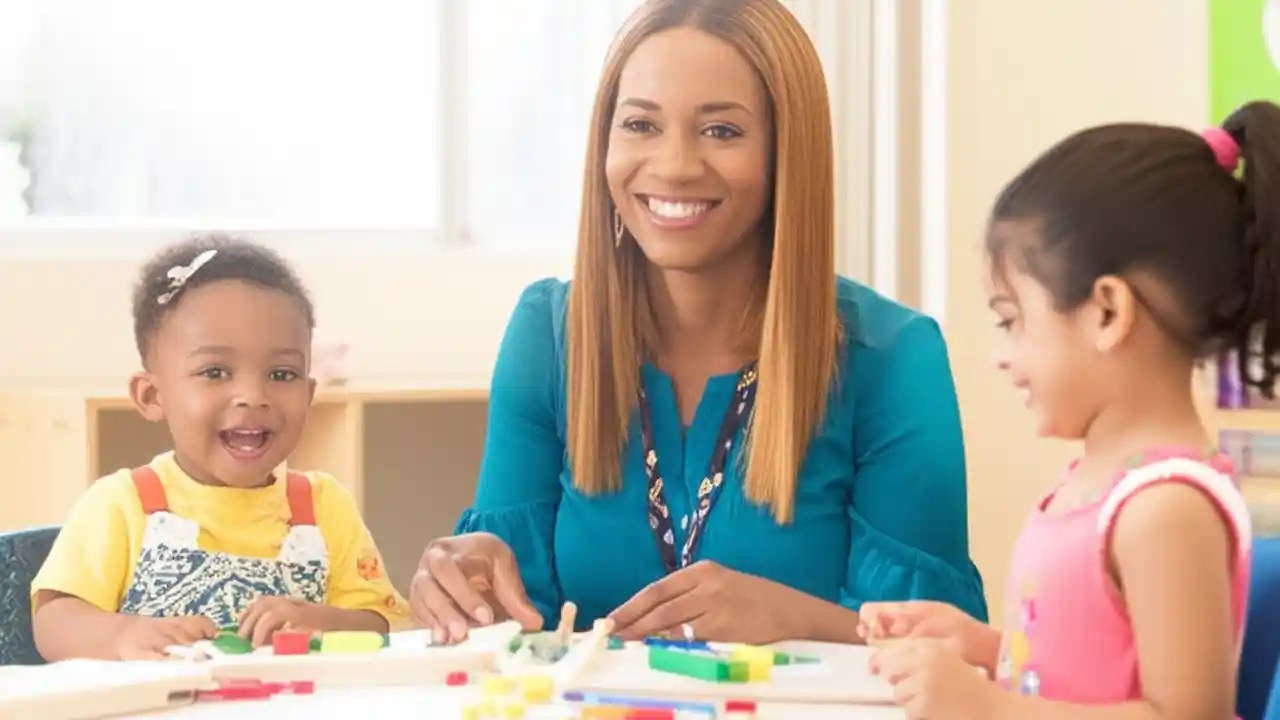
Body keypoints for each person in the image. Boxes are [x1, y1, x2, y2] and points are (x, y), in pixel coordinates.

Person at [409, 0, 985, 648]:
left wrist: (797, 620)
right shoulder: (546, 336)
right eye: (640, 125)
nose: (675, 164)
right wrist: (470, 584)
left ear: (785, 152)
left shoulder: (893, 360)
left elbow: (942, 653)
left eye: (721, 131)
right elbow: (520, 624)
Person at [862, 102, 1280, 718]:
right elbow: (1091, 678)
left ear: (1108, 312)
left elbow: (1187, 715)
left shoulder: (1164, 509)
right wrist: (984, 649)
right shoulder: (1098, 486)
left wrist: (990, 709)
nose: (1001, 357)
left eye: (1012, 321)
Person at [31, 234, 410, 661]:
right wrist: (123, 636)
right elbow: (54, 621)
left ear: (309, 393)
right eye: (215, 371)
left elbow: (383, 623)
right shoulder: (121, 505)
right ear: (152, 396)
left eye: (281, 374)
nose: (252, 395)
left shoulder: (324, 508)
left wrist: (319, 620)